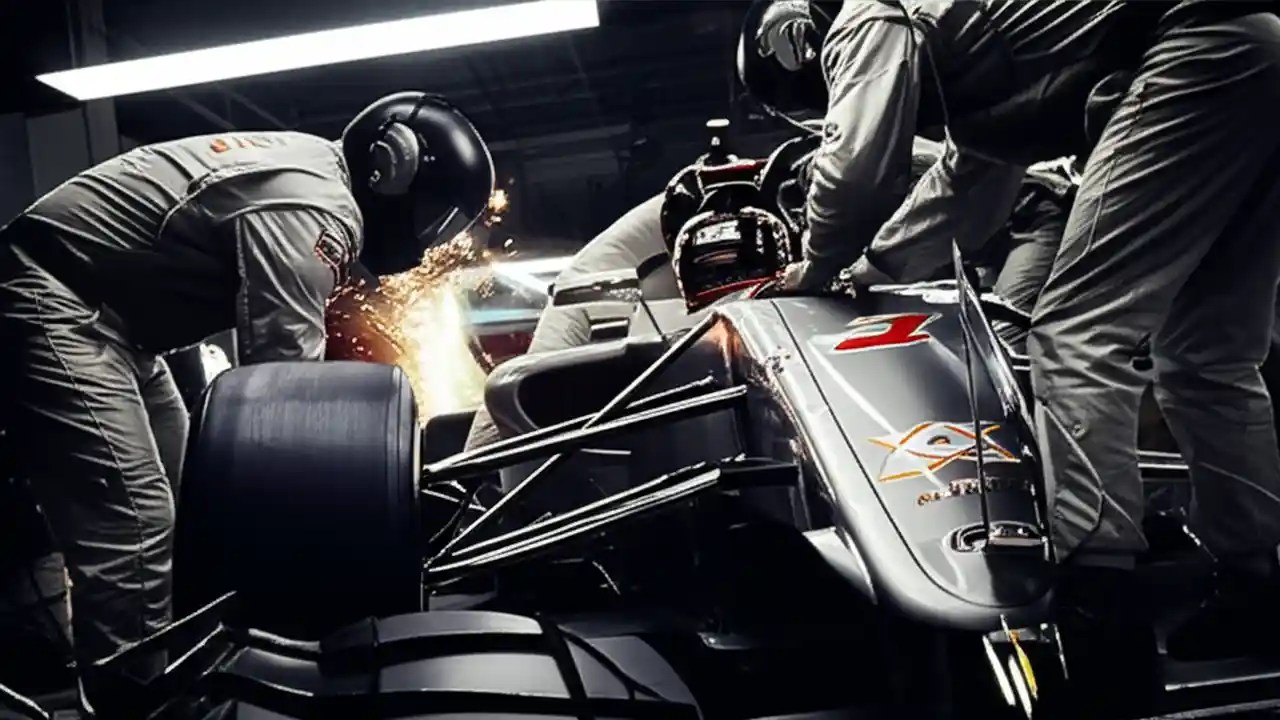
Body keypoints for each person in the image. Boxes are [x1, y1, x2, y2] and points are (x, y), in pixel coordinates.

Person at [741, 0, 1280, 672]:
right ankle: (1257, 582)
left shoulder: (864, 15)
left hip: (1186, 49)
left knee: (1074, 334)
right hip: (1255, 47)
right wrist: (867, 270)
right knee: (1208, 353)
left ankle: (1102, 601)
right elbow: (972, 187)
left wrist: (815, 267)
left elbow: (856, 166)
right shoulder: (971, 56)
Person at [0, 91, 495, 681]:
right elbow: (286, 398)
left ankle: (186, 673)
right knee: (136, 526)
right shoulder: (315, 211)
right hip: (53, 298)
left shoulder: (314, 169)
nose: (427, 241)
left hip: (115, 326)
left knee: (196, 506)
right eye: (431, 219)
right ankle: (134, 704)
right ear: (389, 169)